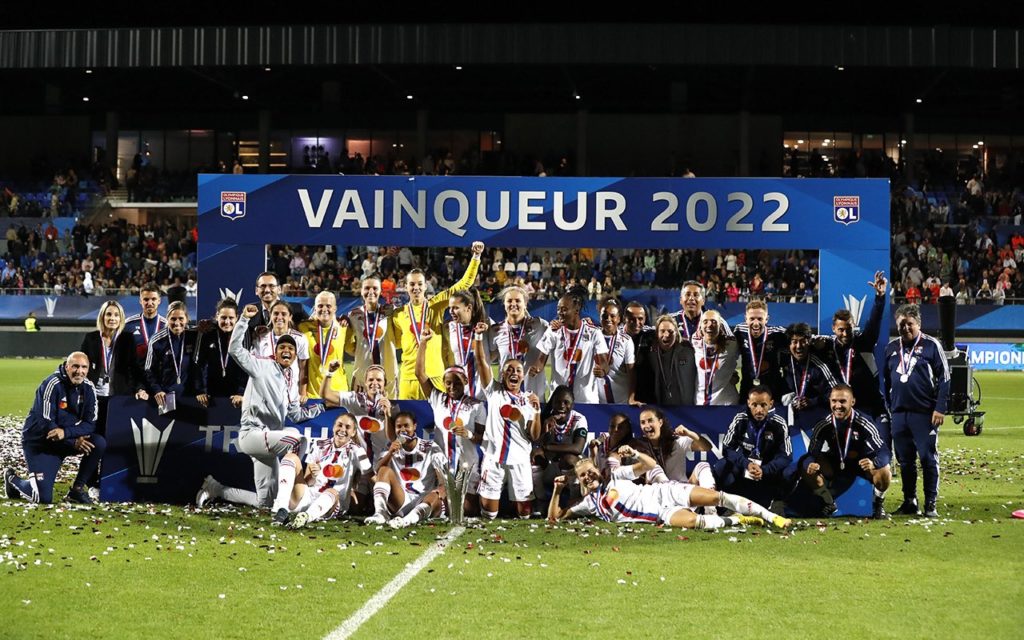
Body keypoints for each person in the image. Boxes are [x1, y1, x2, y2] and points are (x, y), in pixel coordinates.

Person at [222, 304, 324, 509]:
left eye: (291, 349)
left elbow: (295, 414)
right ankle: (302, 493)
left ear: (295, 356)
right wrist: (243, 320)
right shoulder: (261, 365)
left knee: (264, 503)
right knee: (297, 439)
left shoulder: (291, 381)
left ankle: (215, 489)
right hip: (252, 435)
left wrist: (323, 408)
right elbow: (234, 349)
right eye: (282, 348)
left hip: (267, 440)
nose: (286, 351)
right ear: (275, 352)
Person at [548, 448, 790, 530]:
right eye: (583, 475)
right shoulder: (587, 505)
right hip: (660, 514)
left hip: (665, 492)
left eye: (590, 471)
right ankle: (738, 521)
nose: (589, 476)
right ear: (579, 481)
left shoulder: (616, 476)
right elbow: (554, 518)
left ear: (598, 471)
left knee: (717, 498)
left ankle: (772, 517)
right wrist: (557, 492)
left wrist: (634, 454)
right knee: (697, 523)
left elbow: (650, 465)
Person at [5, 352, 106, 505]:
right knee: (42, 498)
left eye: (84, 367)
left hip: (64, 440)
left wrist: (68, 435)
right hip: (41, 444)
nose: (80, 371)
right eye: (75, 366)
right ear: (67, 367)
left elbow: (90, 424)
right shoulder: (51, 384)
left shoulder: (88, 387)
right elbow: (46, 424)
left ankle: (77, 490)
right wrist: (72, 442)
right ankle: (12, 478)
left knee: (98, 442)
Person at [394, 241, 485, 400]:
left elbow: (463, 285)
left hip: (435, 377)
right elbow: (396, 343)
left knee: (438, 423)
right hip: (407, 379)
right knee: (405, 422)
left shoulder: (435, 305)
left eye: (420, 284)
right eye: (412, 284)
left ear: (425, 286)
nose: (416, 288)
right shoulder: (398, 314)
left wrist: (476, 257)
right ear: (405, 286)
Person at [883, 304, 950, 518]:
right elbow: (885, 381)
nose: (905, 328)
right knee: (905, 461)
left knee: (928, 458)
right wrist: (888, 407)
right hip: (899, 414)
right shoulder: (892, 348)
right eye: (901, 324)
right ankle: (910, 501)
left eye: (909, 324)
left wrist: (940, 408)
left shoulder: (931, 345)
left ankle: (931, 503)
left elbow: (945, 378)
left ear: (918, 324)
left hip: (924, 413)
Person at [415, 326, 486, 516]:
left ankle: (442, 506)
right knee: (444, 495)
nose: (452, 386)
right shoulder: (438, 399)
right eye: (448, 382)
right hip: (443, 462)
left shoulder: (476, 405)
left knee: (469, 510)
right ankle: (421, 512)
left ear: (465, 381)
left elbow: (482, 438)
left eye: (457, 382)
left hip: (468, 462)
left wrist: (470, 434)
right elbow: (420, 374)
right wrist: (423, 343)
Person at [817, 271, 890, 440]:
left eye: (848, 329)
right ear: (834, 329)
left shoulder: (864, 341)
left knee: (881, 447)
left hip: (870, 405)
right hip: (842, 409)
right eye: (841, 330)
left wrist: (880, 298)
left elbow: (874, 321)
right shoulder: (827, 347)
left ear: (854, 326)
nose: (845, 333)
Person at [801, 384, 892, 519]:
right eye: (834, 401)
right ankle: (829, 503)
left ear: (852, 402)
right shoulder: (823, 424)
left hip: (862, 463)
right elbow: (811, 454)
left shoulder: (864, 422)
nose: (838, 405)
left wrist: (875, 464)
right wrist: (810, 463)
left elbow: (884, 452)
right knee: (805, 466)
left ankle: (877, 504)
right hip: (837, 462)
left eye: (842, 401)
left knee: (884, 470)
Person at [269, 413, 373, 528]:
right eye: (339, 425)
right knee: (291, 457)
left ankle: (306, 517)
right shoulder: (319, 445)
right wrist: (313, 475)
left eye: (347, 427)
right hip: (308, 496)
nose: (342, 429)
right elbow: (308, 482)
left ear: (353, 432)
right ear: (333, 427)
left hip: (332, 502)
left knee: (332, 491)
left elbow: (371, 476)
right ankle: (282, 509)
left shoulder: (357, 451)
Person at [477, 345, 543, 519]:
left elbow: (534, 435)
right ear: (502, 374)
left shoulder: (529, 399)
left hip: (520, 460)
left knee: (524, 514)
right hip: (493, 459)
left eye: (518, 370)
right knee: (489, 514)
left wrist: (537, 412)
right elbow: (481, 361)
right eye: (509, 370)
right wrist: (477, 338)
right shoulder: (494, 391)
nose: (514, 373)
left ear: (523, 375)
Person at [713, 385, 792, 507]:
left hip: (767, 472)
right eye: (754, 405)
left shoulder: (779, 423)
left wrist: (765, 470)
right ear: (748, 403)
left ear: (771, 404)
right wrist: (747, 464)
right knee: (721, 467)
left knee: (789, 472)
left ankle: (778, 503)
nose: (759, 410)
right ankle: (724, 505)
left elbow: (786, 456)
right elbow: (727, 448)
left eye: (763, 405)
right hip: (744, 467)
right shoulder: (740, 419)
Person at [364, 411, 447, 529]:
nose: (402, 429)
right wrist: (390, 453)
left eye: (406, 425)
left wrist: (440, 490)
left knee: (436, 494)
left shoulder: (430, 447)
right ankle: (381, 513)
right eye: (398, 426)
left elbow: (443, 481)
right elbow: (378, 472)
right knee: (384, 470)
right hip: (401, 499)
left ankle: (408, 520)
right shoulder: (391, 446)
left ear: (414, 426)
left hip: (424, 500)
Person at [530, 287, 609, 403]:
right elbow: (541, 360)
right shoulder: (553, 331)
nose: (559, 313)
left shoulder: (594, 333)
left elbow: (604, 363)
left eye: (564, 309)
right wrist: (536, 368)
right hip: (558, 399)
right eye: (558, 309)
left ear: (577, 310)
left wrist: (603, 371)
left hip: (586, 399)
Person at [487, 285, 549, 399]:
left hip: (534, 392)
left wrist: (541, 362)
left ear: (525, 304)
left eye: (518, 300)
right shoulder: (495, 331)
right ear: (504, 304)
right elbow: (490, 357)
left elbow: (552, 342)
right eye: (509, 301)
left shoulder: (540, 325)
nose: (513, 304)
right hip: (506, 394)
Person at [344, 276, 399, 397]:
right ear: (361, 290)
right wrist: (360, 350)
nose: (371, 292)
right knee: (359, 414)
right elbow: (348, 345)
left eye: (375, 288)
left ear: (381, 291)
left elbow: (400, 340)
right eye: (367, 288)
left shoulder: (391, 312)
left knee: (388, 412)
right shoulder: (353, 315)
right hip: (362, 377)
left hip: (387, 376)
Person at [533, 385, 589, 504]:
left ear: (572, 405)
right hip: (550, 467)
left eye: (566, 402)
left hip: (571, 469)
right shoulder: (545, 418)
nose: (562, 406)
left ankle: (573, 499)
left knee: (569, 458)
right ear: (552, 403)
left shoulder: (579, 419)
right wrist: (544, 428)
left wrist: (548, 447)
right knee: (535, 455)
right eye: (558, 402)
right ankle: (540, 500)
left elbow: (578, 448)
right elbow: (536, 443)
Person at [144, 301, 200, 411]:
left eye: (181, 318)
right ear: (167, 319)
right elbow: (148, 369)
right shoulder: (156, 340)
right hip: (166, 396)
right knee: (167, 426)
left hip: (191, 395)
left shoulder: (194, 334)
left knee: (191, 426)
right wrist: (158, 390)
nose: (177, 323)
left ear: (187, 319)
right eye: (173, 319)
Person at [194, 298, 248, 409]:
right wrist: (201, 390)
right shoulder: (207, 332)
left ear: (237, 318)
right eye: (223, 317)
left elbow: (246, 366)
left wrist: (241, 392)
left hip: (236, 396)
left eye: (231, 318)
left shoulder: (243, 334)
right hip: (210, 395)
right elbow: (200, 364)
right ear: (217, 315)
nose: (227, 322)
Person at [780, 322, 837, 425]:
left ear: (809, 342)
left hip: (815, 416)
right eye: (795, 342)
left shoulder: (819, 365)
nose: (798, 346)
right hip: (788, 415)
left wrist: (813, 401)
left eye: (803, 341)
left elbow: (834, 392)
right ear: (789, 344)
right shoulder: (782, 359)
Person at [252, 300, 310, 402]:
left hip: (290, 397)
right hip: (266, 396)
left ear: (290, 317)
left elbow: (303, 368)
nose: (279, 317)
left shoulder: (300, 339)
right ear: (270, 315)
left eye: (284, 314)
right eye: (276, 313)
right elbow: (255, 369)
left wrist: (303, 392)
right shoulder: (260, 338)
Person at [631, 314, 696, 405]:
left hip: (685, 408)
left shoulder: (689, 350)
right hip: (659, 408)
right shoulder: (650, 354)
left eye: (670, 331)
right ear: (657, 333)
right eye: (662, 331)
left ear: (676, 333)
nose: (666, 335)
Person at [116, 282, 166, 396]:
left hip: (160, 385)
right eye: (146, 299)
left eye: (153, 299)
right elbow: (123, 361)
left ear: (159, 300)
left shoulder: (167, 326)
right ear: (140, 301)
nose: (150, 303)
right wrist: (135, 387)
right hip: (136, 385)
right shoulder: (128, 325)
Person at [734, 299, 787, 401]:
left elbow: (799, 336)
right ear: (746, 319)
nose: (756, 323)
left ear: (767, 319)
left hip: (772, 387)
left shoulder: (777, 333)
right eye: (752, 318)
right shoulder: (739, 331)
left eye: (760, 319)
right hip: (748, 386)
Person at [298, 291, 348, 400]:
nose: (324, 309)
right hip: (313, 394)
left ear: (335, 308)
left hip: (339, 393)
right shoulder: (303, 327)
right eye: (320, 306)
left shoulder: (344, 327)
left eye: (328, 306)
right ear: (315, 308)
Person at [446, 289, 490, 399]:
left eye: (455, 308)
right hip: (460, 391)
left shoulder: (486, 325)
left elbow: (495, 353)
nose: (451, 311)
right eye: (450, 308)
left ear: (468, 308)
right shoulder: (451, 327)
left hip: (483, 390)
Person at [246, 271, 308, 349]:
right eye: (263, 286)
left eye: (271, 286)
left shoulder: (297, 310)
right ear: (256, 290)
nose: (267, 290)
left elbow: (312, 327)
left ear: (279, 289)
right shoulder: (249, 312)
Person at [691, 310, 739, 405]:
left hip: (726, 404)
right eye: (705, 322)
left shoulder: (731, 344)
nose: (709, 325)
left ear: (720, 326)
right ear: (700, 326)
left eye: (714, 321)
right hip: (699, 403)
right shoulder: (694, 342)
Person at [595, 299, 635, 404]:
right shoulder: (591, 336)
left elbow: (631, 374)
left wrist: (631, 398)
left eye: (612, 316)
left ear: (619, 319)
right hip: (596, 402)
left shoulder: (626, 340)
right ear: (599, 317)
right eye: (604, 315)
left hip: (620, 401)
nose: (608, 319)